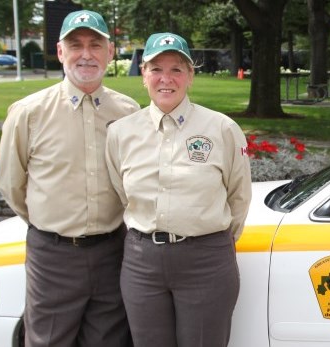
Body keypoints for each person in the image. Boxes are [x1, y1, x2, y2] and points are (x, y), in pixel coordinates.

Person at [0, 9, 140, 347]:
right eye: (75, 45)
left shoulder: (129, 112)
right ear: (60, 52)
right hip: (53, 256)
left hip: (112, 250)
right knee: (49, 340)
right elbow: (11, 183)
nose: (86, 54)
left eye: (95, 45)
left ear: (109, 52)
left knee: (109, 340)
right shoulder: (29, 113)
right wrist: (51, 223)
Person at [104, 32, 251, 347]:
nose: (165, 79)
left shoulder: (222, 129)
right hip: (142, 264)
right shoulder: (120, 133)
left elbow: (239, 197)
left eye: (176, 69)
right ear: (143, 75)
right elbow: (121, 192)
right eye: (156, 69)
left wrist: (208, 243)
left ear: (190, 76)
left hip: (205, 262)